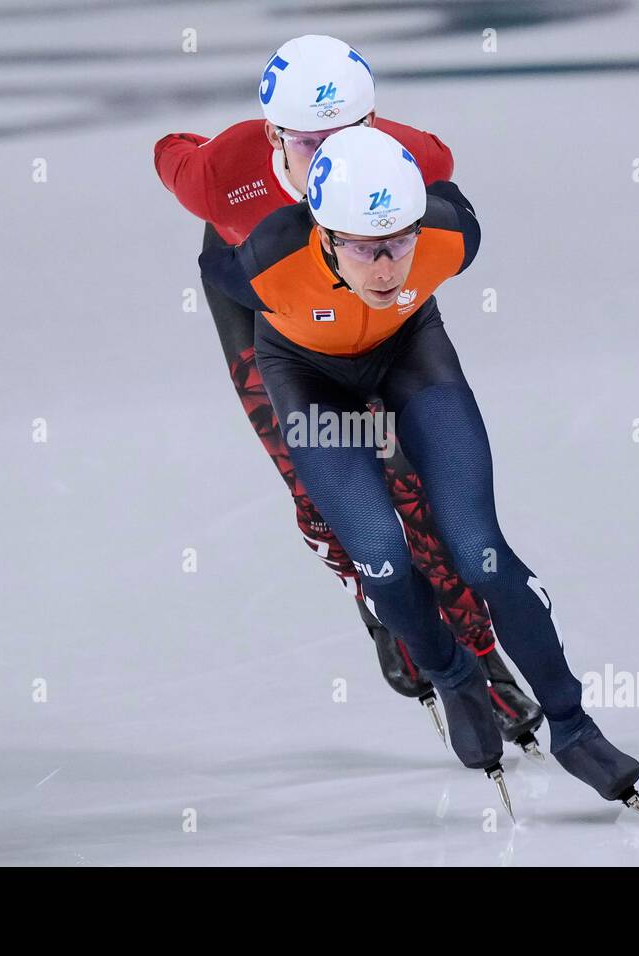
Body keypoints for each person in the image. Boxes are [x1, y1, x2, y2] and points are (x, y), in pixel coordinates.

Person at [198, 126, 639, 813]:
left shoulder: (450, 235)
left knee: (483, 554)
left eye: (398, 244)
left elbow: (435, 163)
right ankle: (451, 673)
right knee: (378, 555)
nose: (385, 269)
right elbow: (193, 201)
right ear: (319, 234)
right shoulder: (264, 260)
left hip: (410, 355)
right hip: (307, 375)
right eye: (362, 249)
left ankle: (575, 725)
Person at [154, 35, 542, 755]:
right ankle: (377, 598)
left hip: (366, 297)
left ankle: (482, 657)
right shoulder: (218, 175)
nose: (334, 156)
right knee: (318, 480)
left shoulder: (414, 161)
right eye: (310, 143)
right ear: (273, 135)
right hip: (263, 301)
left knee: (416, 485)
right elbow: (170, 147)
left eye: (351, 134)